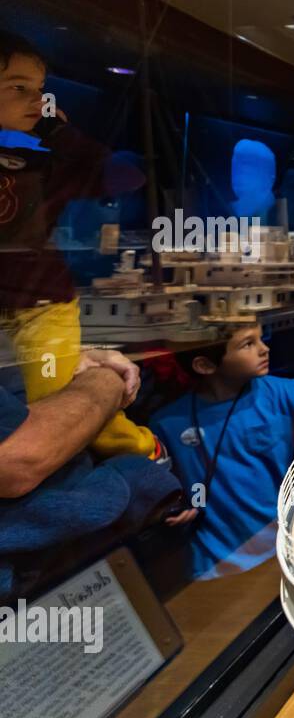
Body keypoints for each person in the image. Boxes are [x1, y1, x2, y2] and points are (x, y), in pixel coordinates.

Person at [0, 29, 160, 460]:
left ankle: (144, 452)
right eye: (19, 88)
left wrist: (58, 134)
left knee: (58, 409)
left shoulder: (38, 163)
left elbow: (127, 179)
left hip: (42, 305)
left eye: (40, 91)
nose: (37, 101)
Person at [148, 324, 294, 580]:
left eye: (260, 338)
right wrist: (193, 504)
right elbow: (196, 482)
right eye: (248, 344)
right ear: (204, 365)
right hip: (215, 563)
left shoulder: (285, 393)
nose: (264, 348)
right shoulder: (169, 422)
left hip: (284, 547)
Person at [1, 347, 181, 601]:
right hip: (36, 574)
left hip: (72, 561)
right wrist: (104, 378)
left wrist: (73, 358)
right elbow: (20, 459)